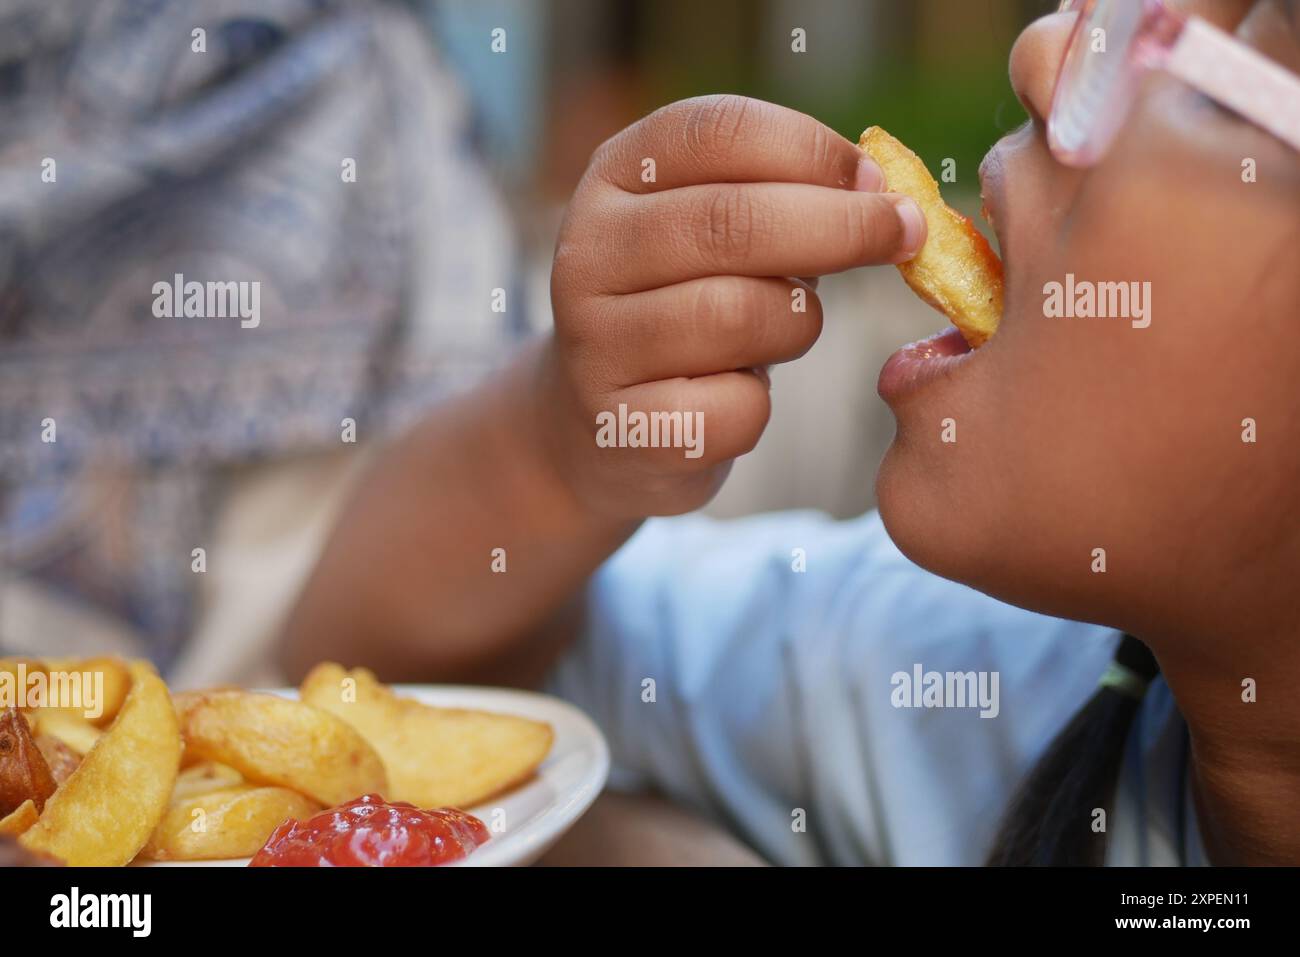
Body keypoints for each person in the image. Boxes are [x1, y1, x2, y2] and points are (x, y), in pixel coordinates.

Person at [284, 0, 1300, 865]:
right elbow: (371, 689)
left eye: (1239, 42)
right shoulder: (943, 687)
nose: (1042, 54)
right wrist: (563, 447)